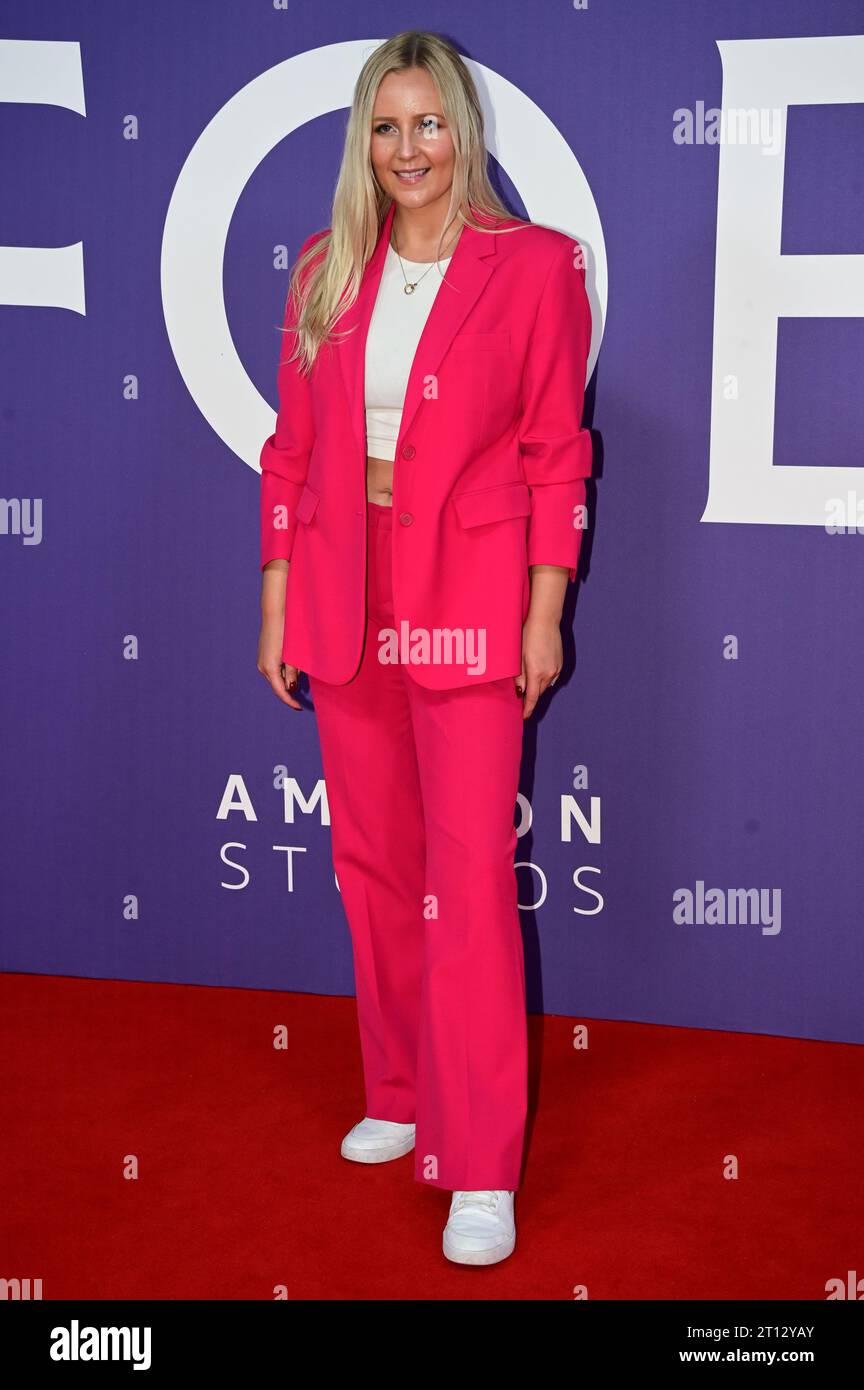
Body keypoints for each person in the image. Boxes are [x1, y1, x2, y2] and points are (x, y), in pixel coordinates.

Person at [256, 29, 593, 1266]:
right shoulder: (321, 269)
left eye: (429, 124)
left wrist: (544, 610)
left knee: (466, 881)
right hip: (348, 582)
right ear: (367, 141)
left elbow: (559, 451)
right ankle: (400, 1094)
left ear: (464, 130)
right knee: (374, 864)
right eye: (386, 128)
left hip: (471, 585)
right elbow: (289, 455)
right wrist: (277, 596)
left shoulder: (535, 265)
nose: (409, 150)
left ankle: (479, 1159)